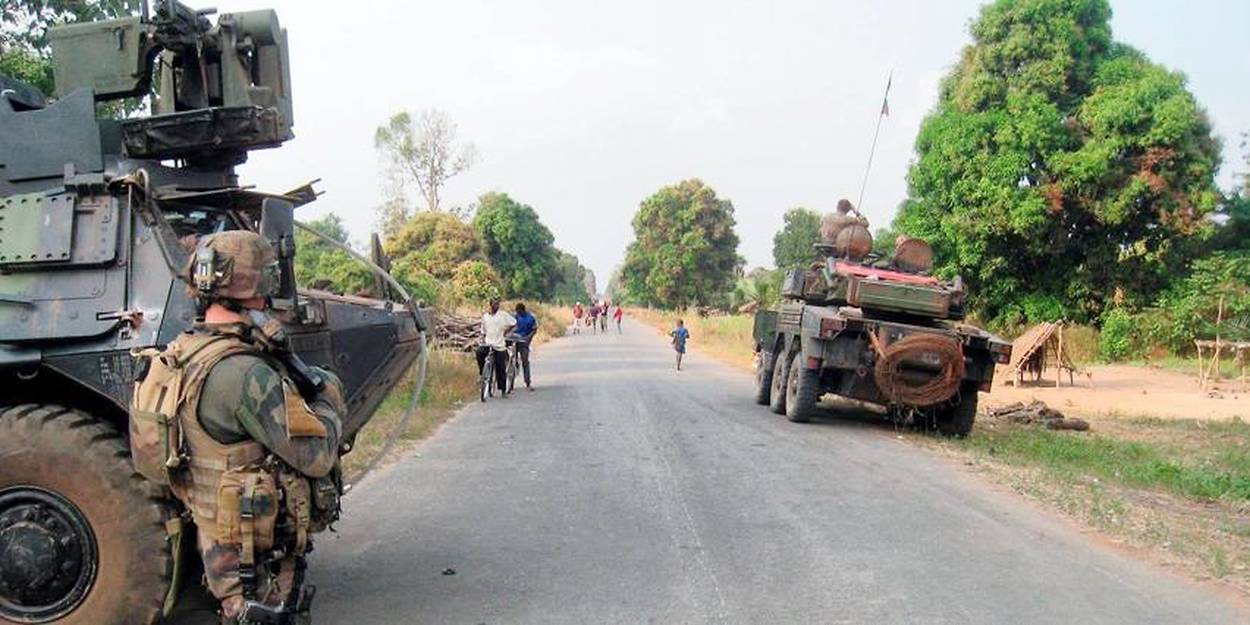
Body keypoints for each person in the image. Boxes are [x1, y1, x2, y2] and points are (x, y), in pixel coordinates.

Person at [134, 231, 345, 624]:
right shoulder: (244, 373)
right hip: (258, 562)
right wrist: (329, 395)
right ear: (258, 290)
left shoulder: (181, 353)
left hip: (218, 545)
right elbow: (316, 456)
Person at [476, 298, 515, 396]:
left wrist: (506, 332)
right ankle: (483, 373)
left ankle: (502, 390)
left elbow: (514, 323)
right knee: (479, 352)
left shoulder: (503, 315)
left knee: (500, 367)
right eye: (494, 304)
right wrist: (483, 339)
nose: (496, 306)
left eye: (497, 304)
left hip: (499, 344)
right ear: (490, 305)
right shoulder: (485, 317)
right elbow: (483, 331)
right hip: (488, 343)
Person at [512, 302, 538, 390]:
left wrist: (528, 337)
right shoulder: (514, 317)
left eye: (519, 312)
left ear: (522, 310)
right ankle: (511, 380)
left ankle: (527, 382)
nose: (518, 313)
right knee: (511, 359)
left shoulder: (531, 317)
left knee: (525, 361)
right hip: (514, 340)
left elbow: (534, 330)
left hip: (524, 341)